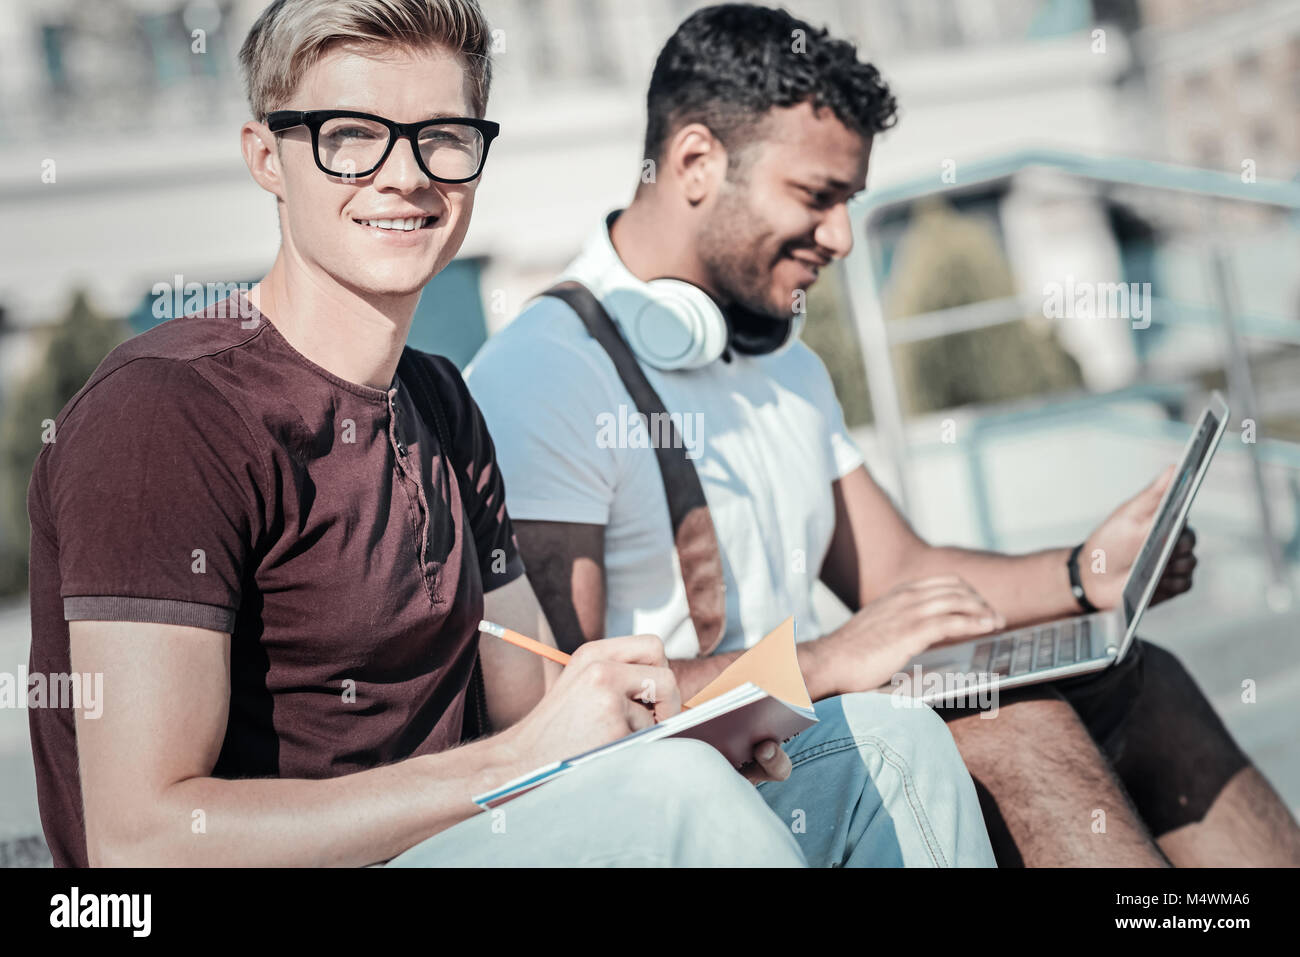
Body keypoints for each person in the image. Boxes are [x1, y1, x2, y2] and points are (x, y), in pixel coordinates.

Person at [26, 0, 994, 868]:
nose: (404, 177)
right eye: (351, 136)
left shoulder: (441, 405)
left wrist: (701, 715)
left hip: (474, 835)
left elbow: (540, 717)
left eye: (442, 137)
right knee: (680, 803)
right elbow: (140, 841)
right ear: (265, 156)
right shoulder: (164, 413)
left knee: (887, 745)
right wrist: (522, 764)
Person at [465, 2, 1300, 867]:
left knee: (1139, 679)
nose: (843, 237)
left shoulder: (777, 356)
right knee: (1012, 722)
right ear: (696, 162)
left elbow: (897, 573)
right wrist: (827, 659)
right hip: (697, 779)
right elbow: (565, 709)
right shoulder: (546, 375)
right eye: (817, 197)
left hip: (805, 718)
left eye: (850, 200)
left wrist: (1085, 574)